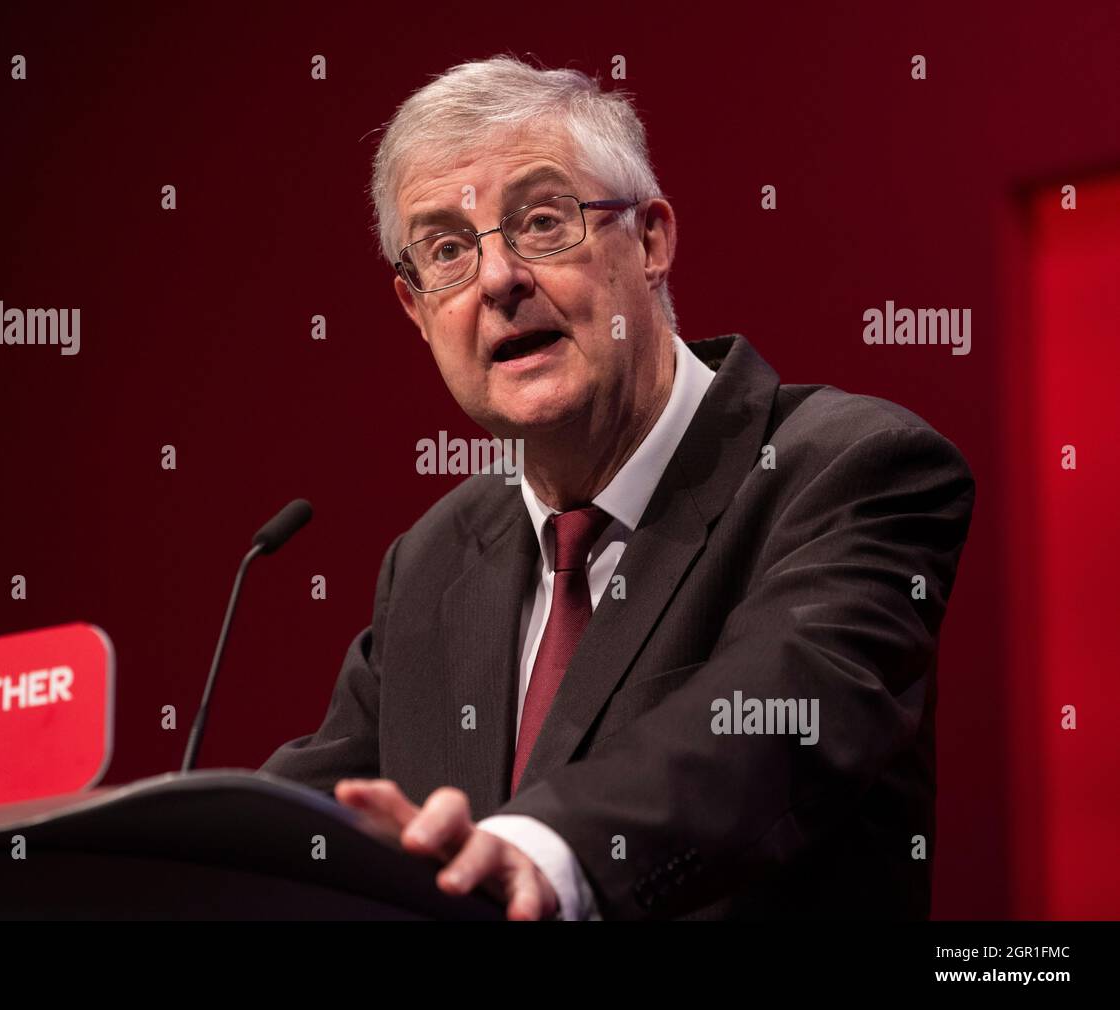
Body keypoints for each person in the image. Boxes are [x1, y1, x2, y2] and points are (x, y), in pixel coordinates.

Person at [259, 54, 976, 921]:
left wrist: (542, 850)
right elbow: (300, 822)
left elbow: (768, 721)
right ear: (416, 311)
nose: (497, 280)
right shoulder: (434, 560)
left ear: (651, 239)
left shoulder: (850, 470)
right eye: (448, 249)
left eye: (544, 221)